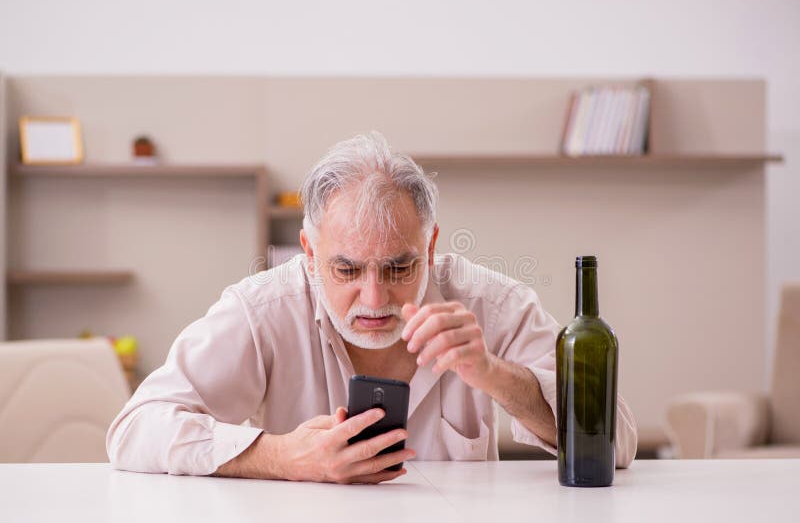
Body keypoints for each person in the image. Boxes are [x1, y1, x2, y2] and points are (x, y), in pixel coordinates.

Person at [106, 131, 638, 484]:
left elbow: (615, 440)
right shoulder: (262, 309)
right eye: (347, 270)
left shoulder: (491, 303)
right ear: (309, 255)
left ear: (430, 249)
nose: (375, 299)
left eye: (400, 268)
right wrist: (281, 456)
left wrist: (495, 374)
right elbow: (134, 429)